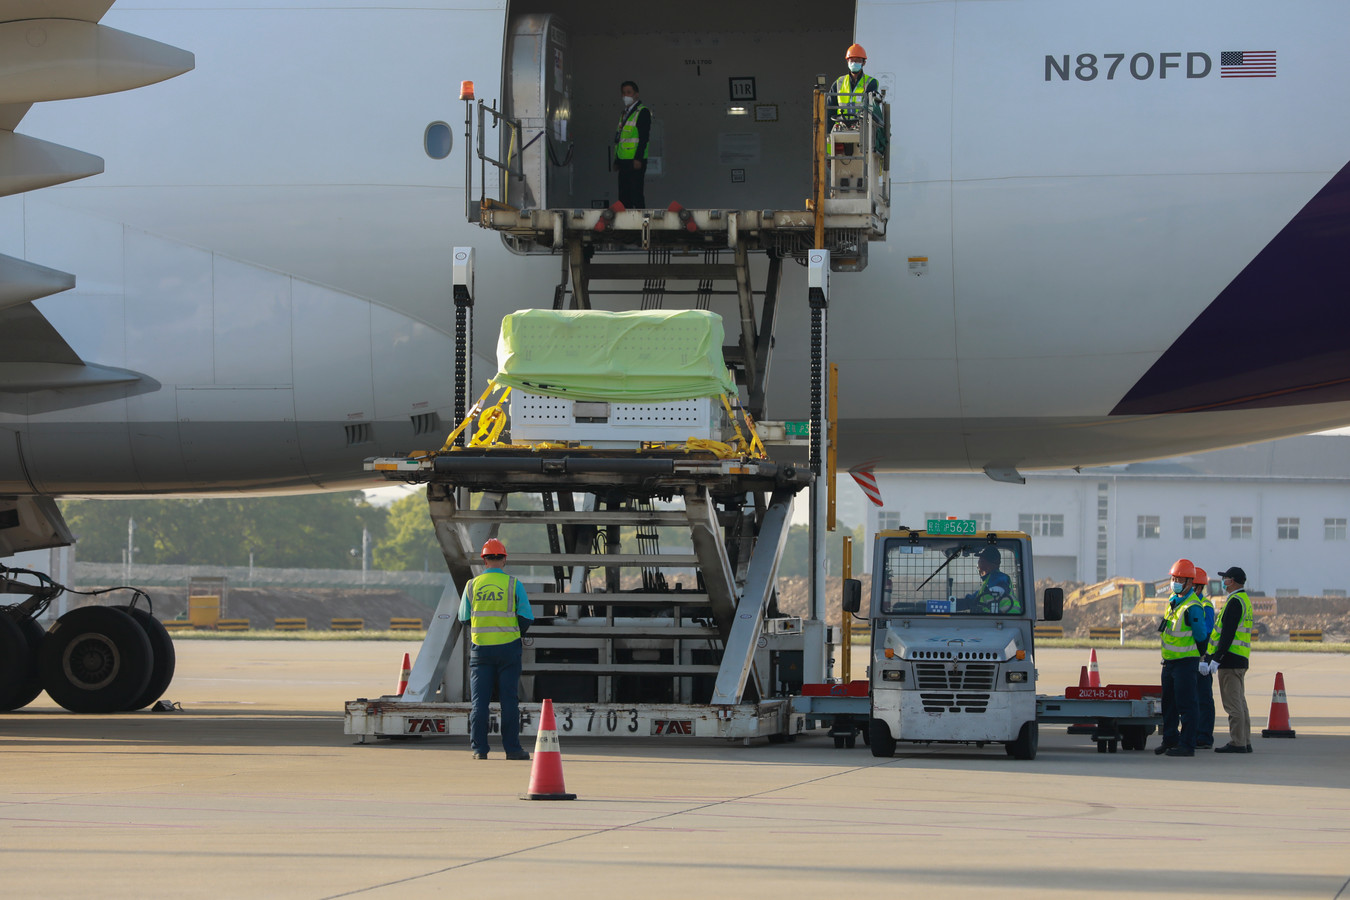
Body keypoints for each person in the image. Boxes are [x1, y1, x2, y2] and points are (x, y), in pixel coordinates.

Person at [458, 538, 534, 760]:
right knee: (509, 700)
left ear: (484, 560)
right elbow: (527, 617)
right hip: (508, 649)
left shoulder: (471, 585)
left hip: (481, 649)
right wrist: (514, 631)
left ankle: (479, 750)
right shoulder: (513, 584)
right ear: (504, 559)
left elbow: (463, 618)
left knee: (479, 702)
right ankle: (512, 749)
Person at [1155, 558, 1208, 757]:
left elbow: (1201, 635)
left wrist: (1200, 656)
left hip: (1185, 663)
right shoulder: (1173, 601)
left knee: (1187, 705)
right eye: (1173, 578)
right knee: (1168, 704)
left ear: (1189, 582)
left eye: (1179, 579)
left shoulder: (1192, 606)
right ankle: (1169, 739)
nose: (1174, 582)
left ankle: (1187, 744)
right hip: (1169, 663)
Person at [1205, 566, 1254, 753]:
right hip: (1240, 658)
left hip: (1230, 660)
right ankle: (1245, 740)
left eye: (1225, 578)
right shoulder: (1244, 600)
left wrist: (1217, 658)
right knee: (1240, 703)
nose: (1223, 582)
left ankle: (1237, 742)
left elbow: (1227, 634)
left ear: (1232, 581)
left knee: (1233, 704)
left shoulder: (1234, 602)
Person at [613, 80, 651, 209]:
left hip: (635, 161)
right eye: (623, 93)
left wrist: (638, 158)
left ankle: (641, 224)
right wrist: (617, 160)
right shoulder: (624, 113)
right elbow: (620, 139)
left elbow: (643, 138)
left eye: (629, 92)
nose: (625, 96)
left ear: (636, 95)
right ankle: (626, 226)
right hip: (624, 160)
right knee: (623, 196)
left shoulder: (642, 112)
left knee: (636, 194)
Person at [827, 43, 881, 134]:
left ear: (864, 63)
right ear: (847, 62)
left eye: (858, 60)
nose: (854, 63)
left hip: (862, 129)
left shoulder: (870, 83)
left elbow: (871, 108)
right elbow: (829, 109)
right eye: (851, 60)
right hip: (841, 128)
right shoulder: (839, 82)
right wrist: (828, 133)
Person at [960, 547, 1021, 614]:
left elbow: (1001, 585)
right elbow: (971, 600)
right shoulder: (986, 584)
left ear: (990, 564)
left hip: (1011, 617)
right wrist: (951, 603)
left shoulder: (999, 577)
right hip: (997, 618)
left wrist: (998, 588)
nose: (979, 565)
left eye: (981, 561)